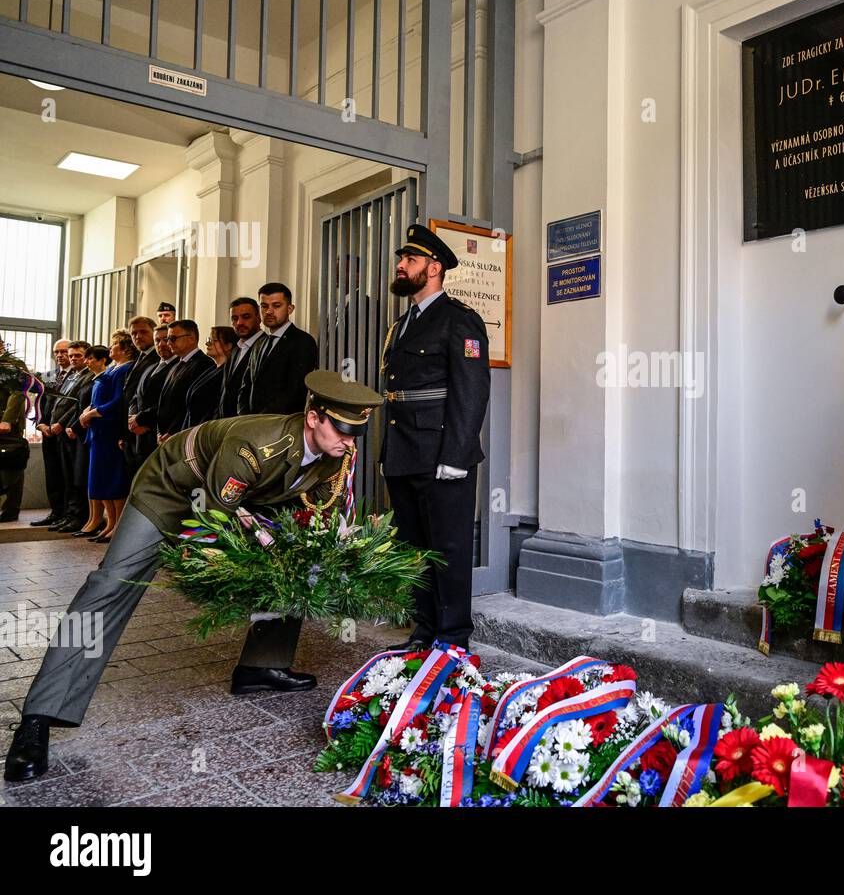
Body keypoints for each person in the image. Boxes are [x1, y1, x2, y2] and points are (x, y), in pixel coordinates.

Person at [3, 370, 385, 783]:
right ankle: (39, 717)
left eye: (356, 433)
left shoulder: (335, 453)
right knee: (110, 583)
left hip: (247, 498)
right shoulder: (256, 444)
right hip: (171, 490)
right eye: (344, 429)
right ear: (314, 418)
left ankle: (261, 667)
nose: (350, 440)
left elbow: (317, 516)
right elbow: (216, 520)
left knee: (295, 560)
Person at [381, 222, 490, 651]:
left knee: (448, 548)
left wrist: (457, 456)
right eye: (401, 259)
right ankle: (424, 630)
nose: (401, 265)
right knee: (414, 549)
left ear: (435, 266)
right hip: (404, 451)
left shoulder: (460, 320)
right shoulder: (401, 324)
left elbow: (471, 390)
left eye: (410, 259)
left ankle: (454, 637)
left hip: (442, 453)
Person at [80, 332, 134, 543]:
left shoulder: (125, 369)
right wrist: (88, 411)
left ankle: (117, 524)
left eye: (114, 345)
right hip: (99, 431)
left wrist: (93, 412)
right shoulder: (113, 368)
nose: (110, 348)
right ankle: (109, 522)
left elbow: (119, 401)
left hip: (109, 429)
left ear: (123, 348)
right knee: (100, 479)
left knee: (112, 479)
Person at [238, 283, 319, 416]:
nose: (269, 311)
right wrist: (245, 418)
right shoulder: (259, 343)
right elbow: (245, 387)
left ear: (290, 309)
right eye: (264, 306)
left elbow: (295, 391)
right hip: (250, 426)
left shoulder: (303, 341)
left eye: (276, 306)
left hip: (282, 425)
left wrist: (261, 421)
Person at [49, 342, 92, 533]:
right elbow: (59, 402)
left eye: (78, 355)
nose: (73, 358)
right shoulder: (71, 375)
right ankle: (68, 514)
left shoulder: (89, 377)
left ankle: (78, 515)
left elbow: (77, 405)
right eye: (71, 355)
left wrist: (64, 423)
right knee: (66, 477)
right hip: (62, 433)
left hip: (74, 432)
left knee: (77, 477)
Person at [66, 345, 109, 537]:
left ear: (102, 360)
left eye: (89, 358)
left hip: (97, 431)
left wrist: (76, 424)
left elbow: (94, 406)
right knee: (89, 478)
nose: (86, 361)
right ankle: (93, 518)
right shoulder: (94, 378)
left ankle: (101, 520)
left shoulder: (106, 378)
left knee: (96, 478)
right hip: (89, 431)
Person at [30, 339, 71, 527]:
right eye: (57, 352)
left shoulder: (78, 376)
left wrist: (60, 424)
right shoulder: (48, 377)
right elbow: (39, 405)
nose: (60, 355)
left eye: (64, 351)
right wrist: (40, 424)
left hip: (65, 432)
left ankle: (69, 513)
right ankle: (55, 511)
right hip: (47, 432)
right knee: (52, 474)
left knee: (67, 475)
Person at [155, 320, 215, 441]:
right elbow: (164, 402)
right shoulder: (176, 364)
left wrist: (173, 432)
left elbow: (193, 405)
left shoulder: (203, 364)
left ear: (191, 339)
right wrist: (159, 431)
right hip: (164, 435)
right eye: (168, 339)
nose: (168, 343)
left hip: (182, 435)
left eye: (173, 338)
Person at [128, 324, 176, 467]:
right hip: (138, 433)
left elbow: (170, 402)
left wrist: (142, 419)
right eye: (157, 341)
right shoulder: (150, 367)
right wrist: (132, 418)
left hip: (158, 431)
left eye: (165, 339)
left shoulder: (177, 367)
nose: (161, 344)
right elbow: (136, 396)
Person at [120, 316, 158, 482]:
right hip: (131, 429)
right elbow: (130, 396)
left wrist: (141, 420)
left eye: (143, 332)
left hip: (147, 429)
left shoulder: (160, 358)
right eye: (134, 333)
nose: (138, 336)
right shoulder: (138, 359)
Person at [0, 348, 34, 522]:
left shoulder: (12, 363)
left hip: (7, 426)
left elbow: (18, 391)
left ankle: (10, 510)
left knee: (11, 466)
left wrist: (8, 420)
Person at [184, 326, 237, 427]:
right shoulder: (212, 368)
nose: (208, 343)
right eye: (209, 339)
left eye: (214, 340)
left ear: (228, 345)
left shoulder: (228, 372)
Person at [220, 297, 261, 418]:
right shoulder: (236, 350)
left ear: (259, 318)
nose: (239, 323)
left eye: (246, 317)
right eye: (234, 318)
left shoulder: (265, 347)